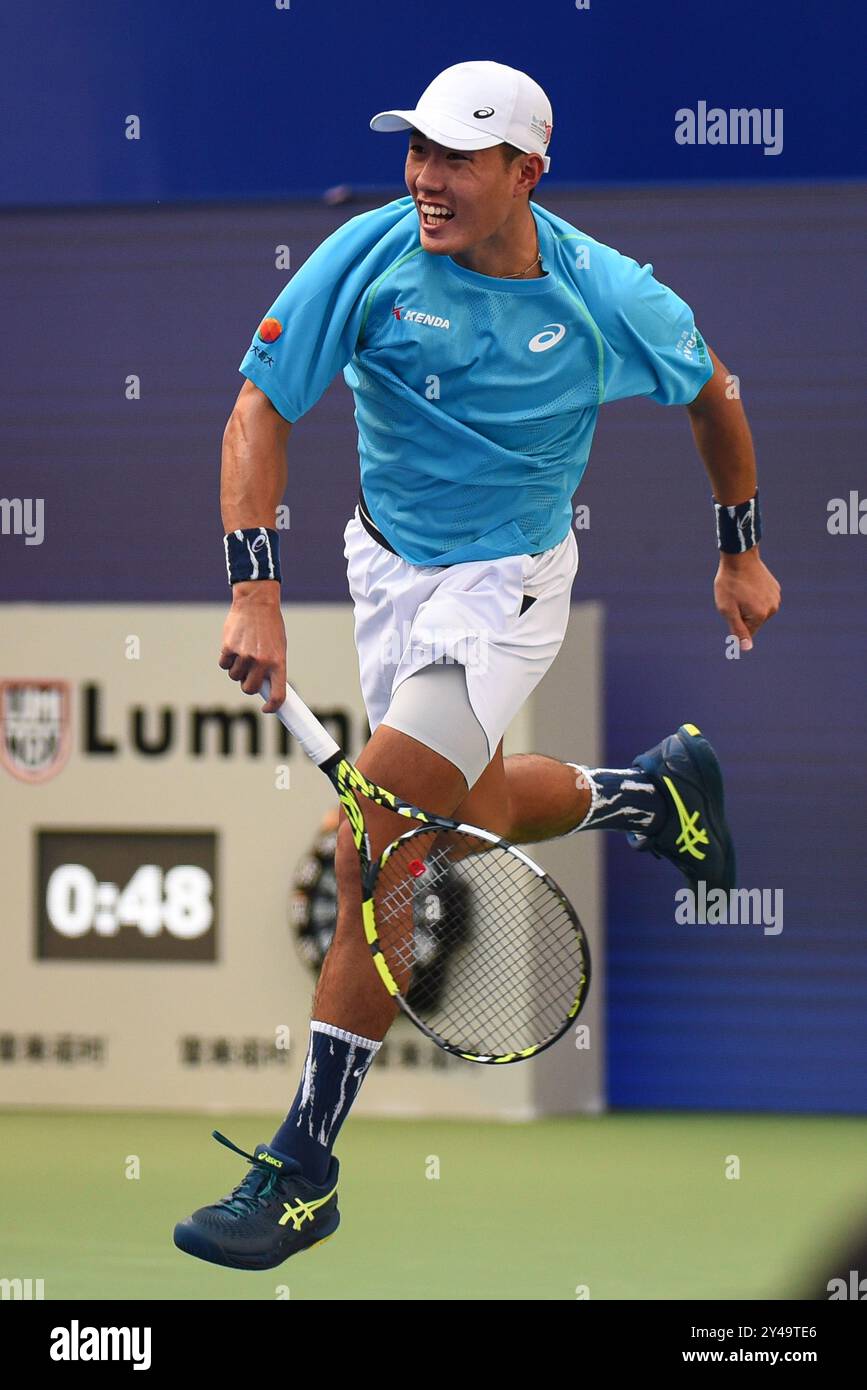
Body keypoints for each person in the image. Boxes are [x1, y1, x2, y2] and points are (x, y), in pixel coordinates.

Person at [174, 60, 781, 1271]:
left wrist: (741, 552)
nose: (426, 178)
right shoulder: (369, 253)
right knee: (472, 809)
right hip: (388, 569)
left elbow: (713, 393)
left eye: (457, 157)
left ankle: (304, 1169)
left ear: (525, 173)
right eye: (418, 150)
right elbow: (258, 407)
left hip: (505, 590)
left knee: (382, 838)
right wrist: (258, 588)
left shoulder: (610, 295)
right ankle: (651, 795)